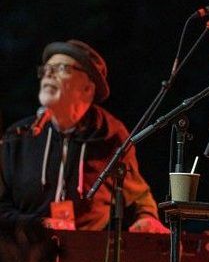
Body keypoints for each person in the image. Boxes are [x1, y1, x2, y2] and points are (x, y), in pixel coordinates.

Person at [0, 39, 167, 234]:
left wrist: (146, 219)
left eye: (62, 68)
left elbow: (137, 198)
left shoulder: (110, 135)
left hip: (88, 258)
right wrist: (36, 225)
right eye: (46, 68)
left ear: (88, 88)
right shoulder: (17, 137)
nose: (49, 73)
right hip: (26, 256)